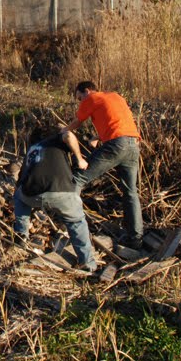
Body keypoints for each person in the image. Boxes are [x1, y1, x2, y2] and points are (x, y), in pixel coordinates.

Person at [60, 81, 144, 250]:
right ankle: (135, 239)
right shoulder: (115, 96)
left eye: (79, 97)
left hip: (116, 145)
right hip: (133, 144)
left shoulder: (91, 98)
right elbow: (117, 121)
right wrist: (98, 137)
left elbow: (77, 122)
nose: (80, 101)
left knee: (78, 178)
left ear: (87, 91)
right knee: (130, 192)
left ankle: (69, 227)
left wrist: (63, 131)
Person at [12, 134, 97, 273]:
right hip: (61, 192)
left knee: (19, 197)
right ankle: (87, 263)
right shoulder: (55, 139)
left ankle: (21, 234)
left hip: (32, 194)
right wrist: (80, 159)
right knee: (76, 221)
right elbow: (69, 135)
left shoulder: (31, 150)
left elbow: (19, 182)